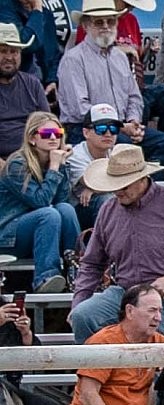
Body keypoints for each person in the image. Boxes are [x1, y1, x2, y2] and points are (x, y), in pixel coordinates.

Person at [71, 146, 164, 343]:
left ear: (142, 179)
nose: (118, 192)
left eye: (124, 186)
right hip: (125, 293)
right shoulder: (108, 210)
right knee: (83, 316)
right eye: (114, 185)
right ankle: (98, 372)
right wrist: (79, 301)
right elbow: (92, 263)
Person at [57, 0, 164, 165]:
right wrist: (121, 127)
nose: (106, 26)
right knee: (127, 149)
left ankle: (139, 188)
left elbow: (134, 97)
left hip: (120, 128)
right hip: (88, 130)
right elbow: (80, 109)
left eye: (111, 21)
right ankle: (126, 187)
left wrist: (134, 122)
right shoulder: (73, 59)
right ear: (85, 25)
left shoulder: (120, 57)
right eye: (99, 22)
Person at [0, 111, 78, 292]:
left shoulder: (56, 160)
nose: (53, 138)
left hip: (40, 232)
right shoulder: (17, 164)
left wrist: (62, 165)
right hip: (9, 237)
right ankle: (45, 278)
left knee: (65, 209)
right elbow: (41, 202)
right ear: (32, 138)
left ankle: (76, 271)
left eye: (58, 133)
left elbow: (61, 200)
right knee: (48, 214)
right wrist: (54, 167)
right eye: (45, 134)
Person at [63, 102, 119, 223]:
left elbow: (134, 182)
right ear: (86, 133)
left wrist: (95, 189)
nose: (108, 133)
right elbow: (92, 182)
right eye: (101, 129)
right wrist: (96, 187)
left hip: (104, 202)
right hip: (79, 211)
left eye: (114, 128)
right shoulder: (75, 155)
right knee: (107, 199)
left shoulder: (117, 151)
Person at [0, 23, 46, 158]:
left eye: (14, 51)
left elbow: (50, 124)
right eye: (3, 51)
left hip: (34, 156)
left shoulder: (33, 84)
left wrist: (56, 148)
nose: (9, 57)